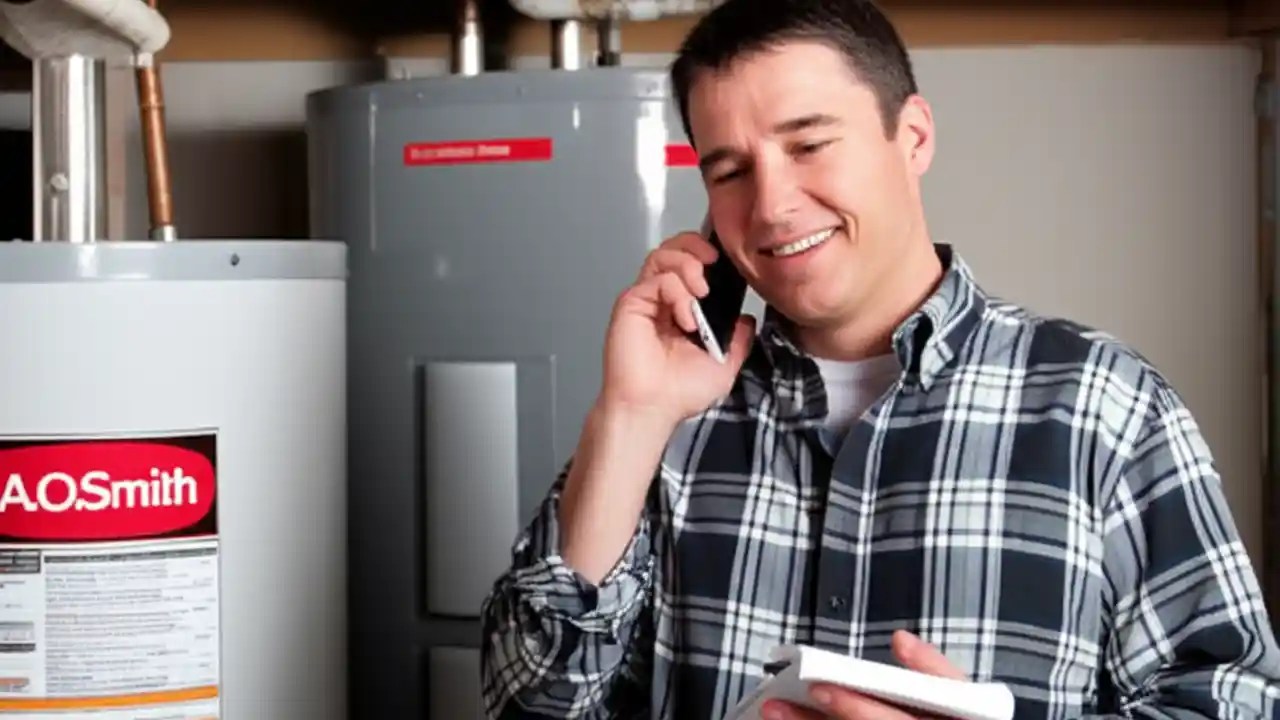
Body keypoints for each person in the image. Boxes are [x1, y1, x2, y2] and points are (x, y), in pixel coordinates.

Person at [478, 0, 1280, 717]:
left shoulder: (1105, 405)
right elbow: (532, 703)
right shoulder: (667, 419)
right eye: (730, 171)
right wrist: (630, 417)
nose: (771, 205)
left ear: (914, 137)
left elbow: (1234, 701)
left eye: (811, 145)